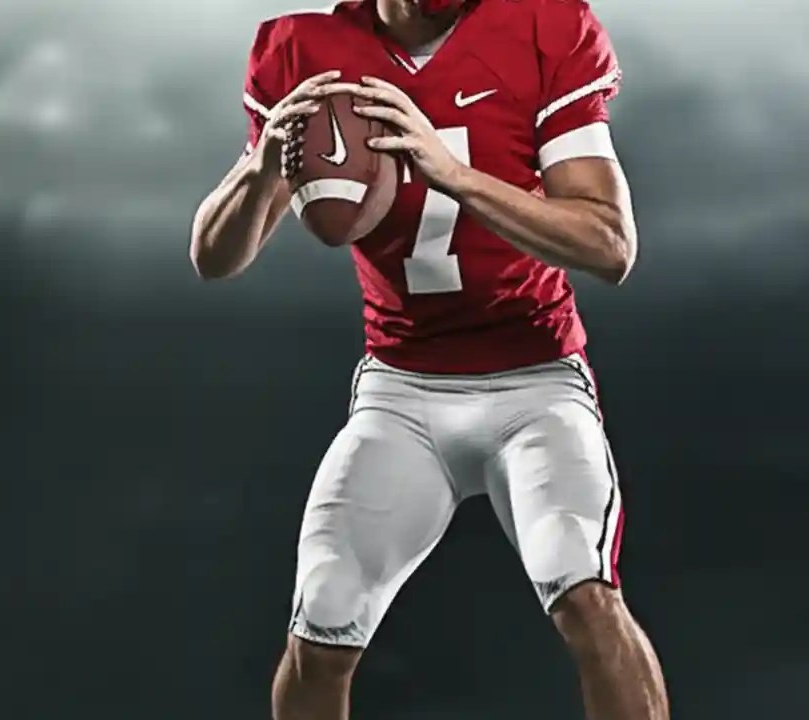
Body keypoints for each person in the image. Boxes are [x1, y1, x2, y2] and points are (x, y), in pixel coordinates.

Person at [189, 1, 669, 718]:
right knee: (324, 611)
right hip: (401, 392)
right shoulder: (309, 53)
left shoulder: (542, 29)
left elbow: (610, 245)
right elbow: (213, 258)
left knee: (583, 584)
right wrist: (262, 170)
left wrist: (453, 174)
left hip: (535, 383)